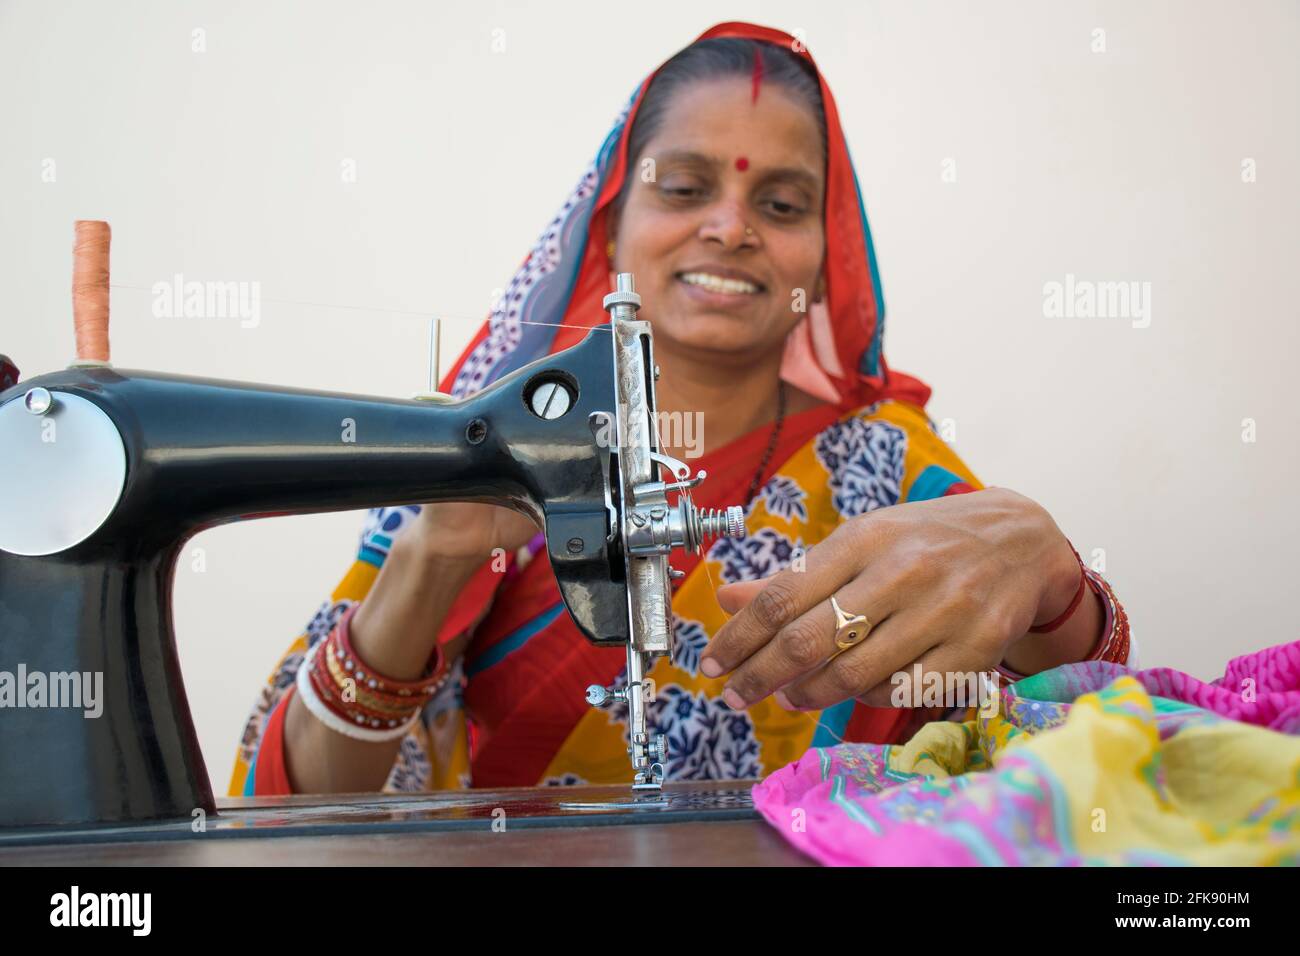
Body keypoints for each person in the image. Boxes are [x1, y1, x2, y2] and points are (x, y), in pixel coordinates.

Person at [230, 21, 1132, 796]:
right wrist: (430, 560)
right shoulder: (488, 445)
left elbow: (1076, 757)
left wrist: (1053, 579)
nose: (731, 226)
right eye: (685, 187)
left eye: (780, 203)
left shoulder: (893, 469)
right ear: (610, 223)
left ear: (827, 254)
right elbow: (289, 802)